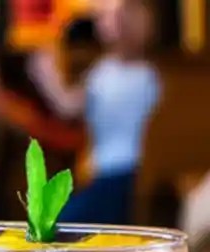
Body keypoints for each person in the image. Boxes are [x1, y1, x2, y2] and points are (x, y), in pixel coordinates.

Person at [29, 0, 159, 225]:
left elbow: (67, 107)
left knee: (53, 224)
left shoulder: (107, 73)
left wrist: (45, 74)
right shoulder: (148, 74)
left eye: (106, 16)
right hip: (134, 177)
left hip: (114, 176)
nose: (99, 23)